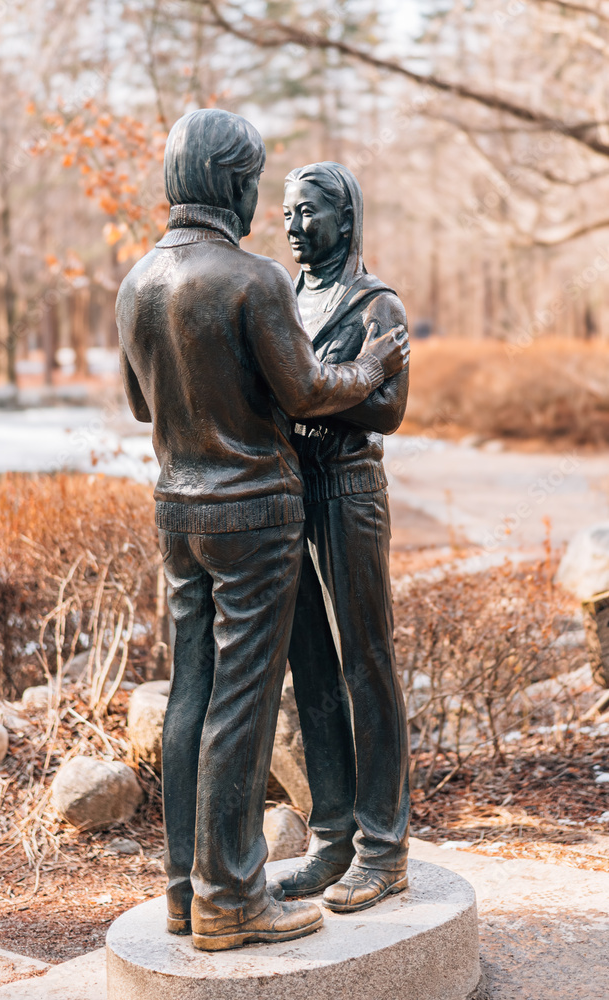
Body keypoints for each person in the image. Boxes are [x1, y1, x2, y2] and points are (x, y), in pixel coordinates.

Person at [116, 112, 407, 950]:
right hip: (254, 510)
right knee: (244, 699)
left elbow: (141, 403)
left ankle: (190, 889)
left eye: (306, 208)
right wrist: (367, 366)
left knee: (195, 694)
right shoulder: (254, 279)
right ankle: (230, 897)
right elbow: (306, 390)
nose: (278, 216)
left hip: (185, 510)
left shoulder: (137, 281)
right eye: (264, 192)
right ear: (232, 182)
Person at [274, 161, 411, 913]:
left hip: (350, 493)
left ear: (344, 218)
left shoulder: (375, 302)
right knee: (311, 668)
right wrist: (341, 381)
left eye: (307, 212)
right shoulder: (283, 296)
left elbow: (387, 411)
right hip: (287, 494)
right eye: (287, 213)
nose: (293, 226)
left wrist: (312, 394)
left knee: (367, 661)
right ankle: (331, 838)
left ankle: (383, 850)